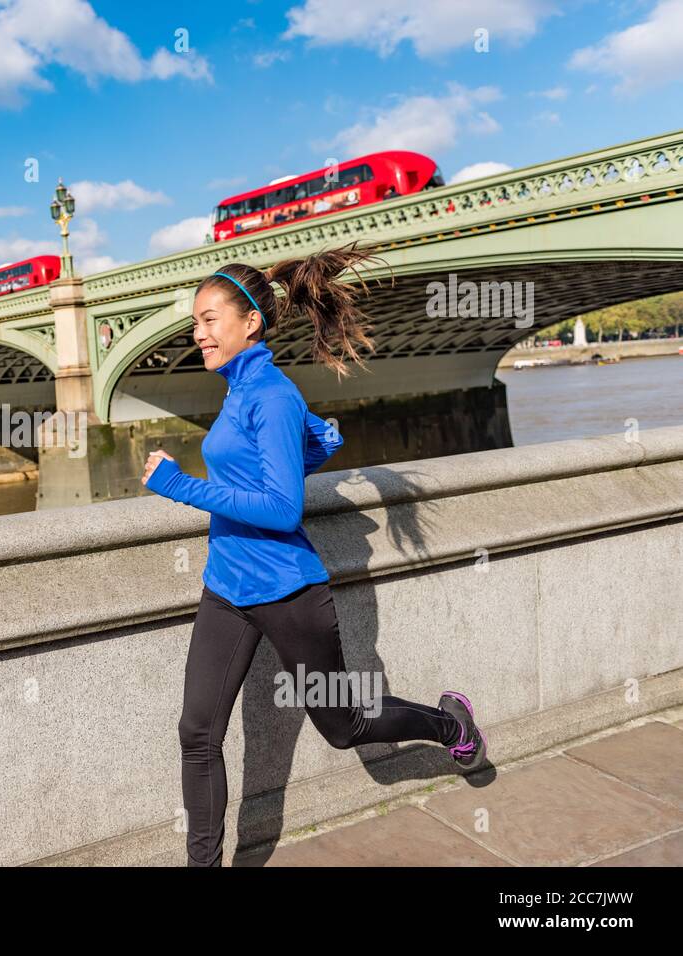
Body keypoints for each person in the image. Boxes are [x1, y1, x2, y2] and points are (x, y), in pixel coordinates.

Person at [142, 247, 487, 867]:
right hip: (228, 587)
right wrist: (310, 451)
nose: (198, 334)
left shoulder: (269, 393)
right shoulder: (243, 390)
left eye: (210, 320)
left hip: (288, 594)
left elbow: (280, 510)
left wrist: (178, 485)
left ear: (251, 322)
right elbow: (269, 473)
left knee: (344, 726)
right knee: (198, 733)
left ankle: (448, 725)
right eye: (195, 322)